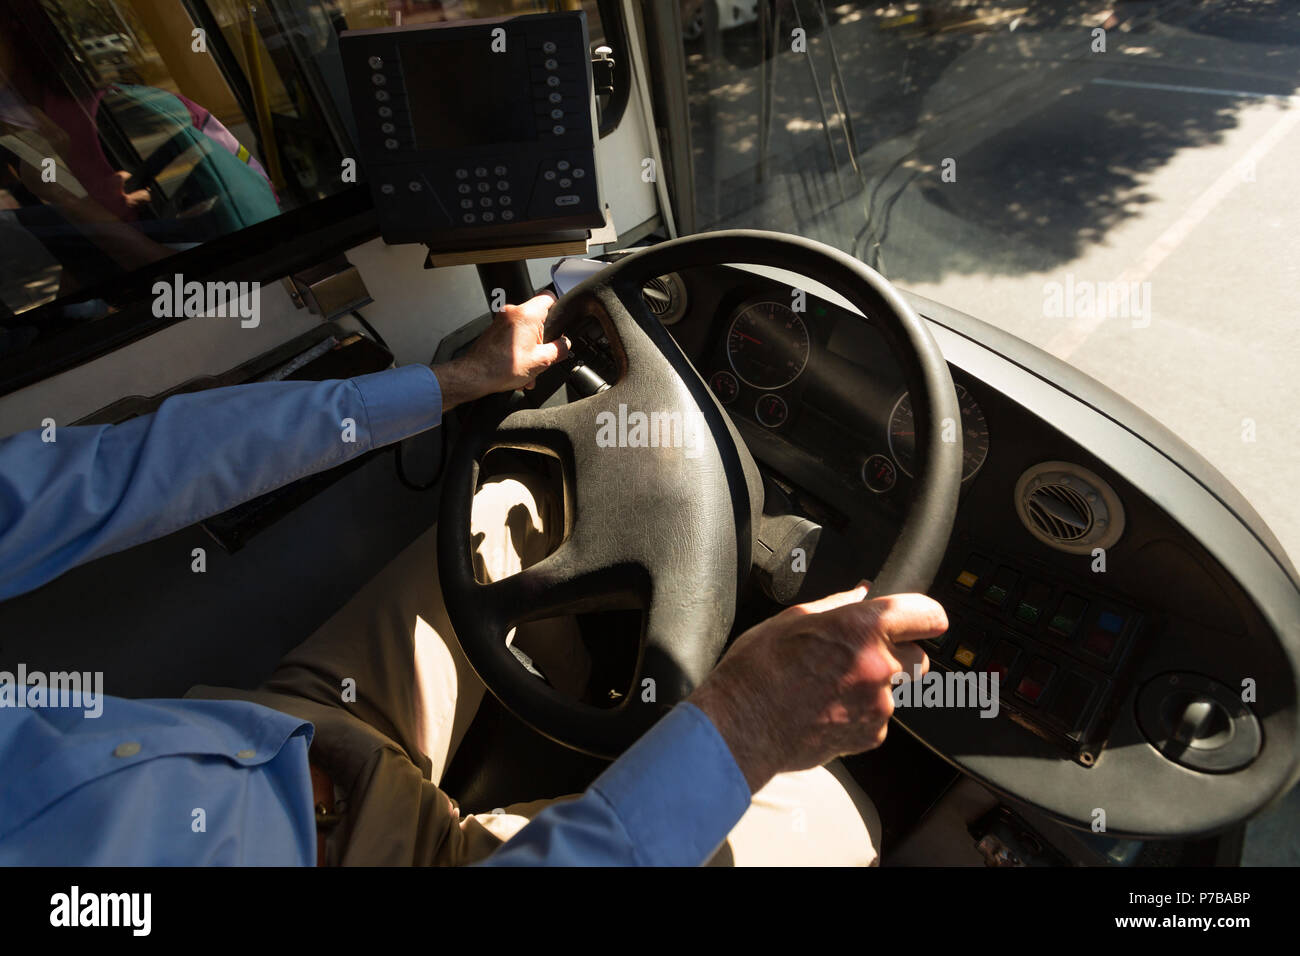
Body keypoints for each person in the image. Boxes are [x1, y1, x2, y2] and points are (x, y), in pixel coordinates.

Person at [0, 292, 946, 866]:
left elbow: (113, 475)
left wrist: (446, 384)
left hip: (284, 735)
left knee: (516, 492)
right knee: (837, 808)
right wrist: (746, 725)